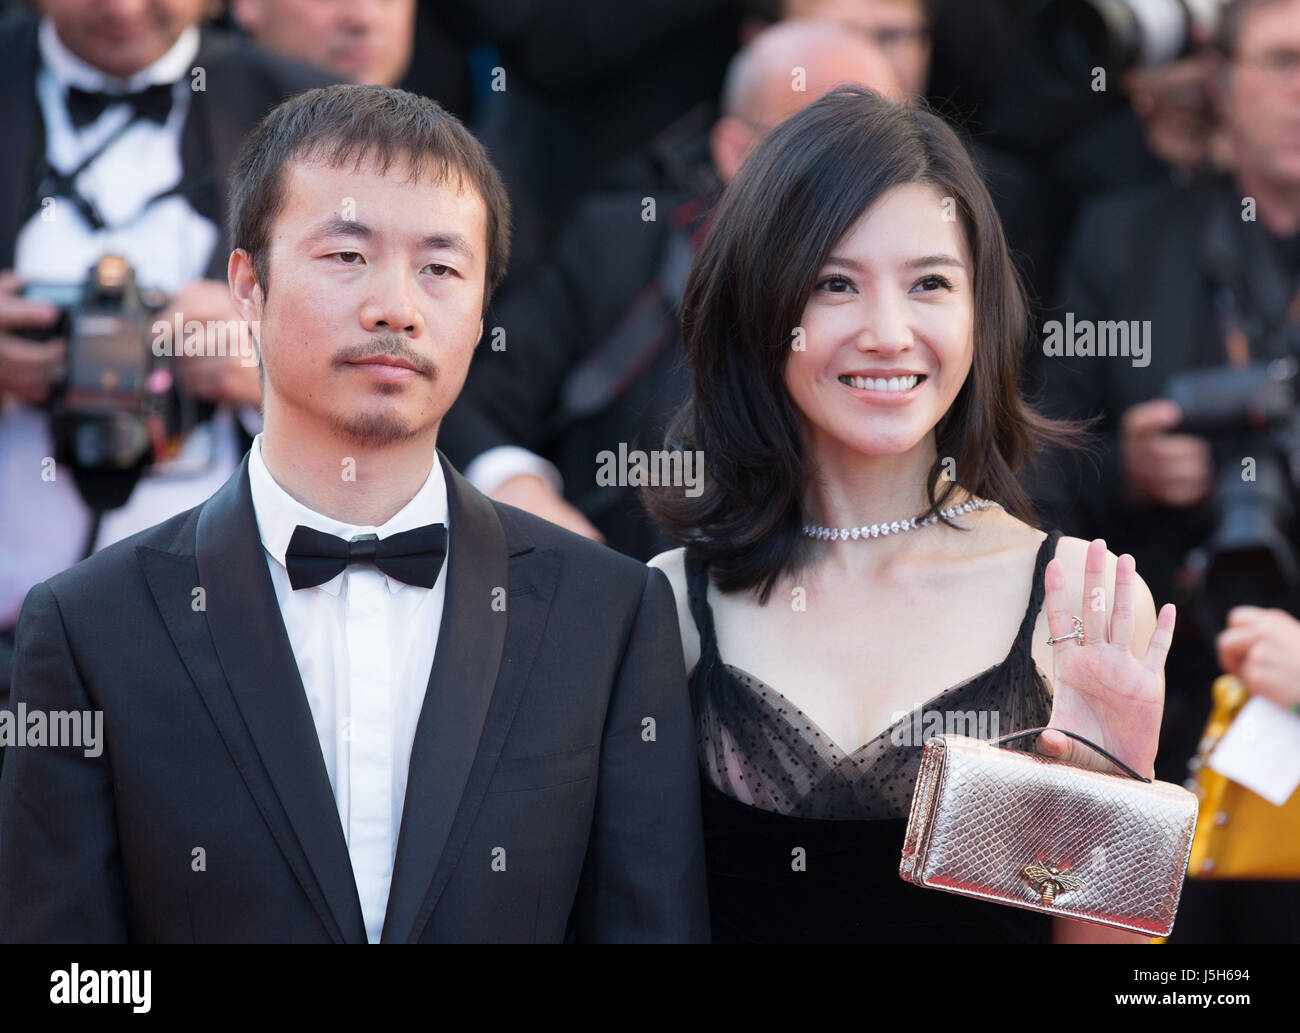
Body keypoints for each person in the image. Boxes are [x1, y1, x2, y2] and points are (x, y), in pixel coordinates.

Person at [0, 84, 709, 944]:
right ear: (247, 287)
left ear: (483, 308)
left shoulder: (610, 616)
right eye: (346, 255)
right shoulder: (89, 625)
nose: (396, 307)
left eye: (441, 269)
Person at [646, 87, 1178, 944]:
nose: (888, 331)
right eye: (834, 284)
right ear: (758, 305)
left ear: (981, 309)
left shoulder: (1080, 604)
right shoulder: (668, 603)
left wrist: (1118, 787)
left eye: (929, 282)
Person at [439, 19, 905, 558]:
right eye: (819, 145)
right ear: (736, 152)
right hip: (632, 602)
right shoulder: (622, 246)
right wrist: (518, 486)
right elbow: (470, 394)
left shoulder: (941, 277)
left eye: (888, 141)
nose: (863, 176)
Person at [0, 0, 334, 700]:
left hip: (225, 663)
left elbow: (406, 350)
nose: (122, 8)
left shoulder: (311, 114)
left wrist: (275, 366)